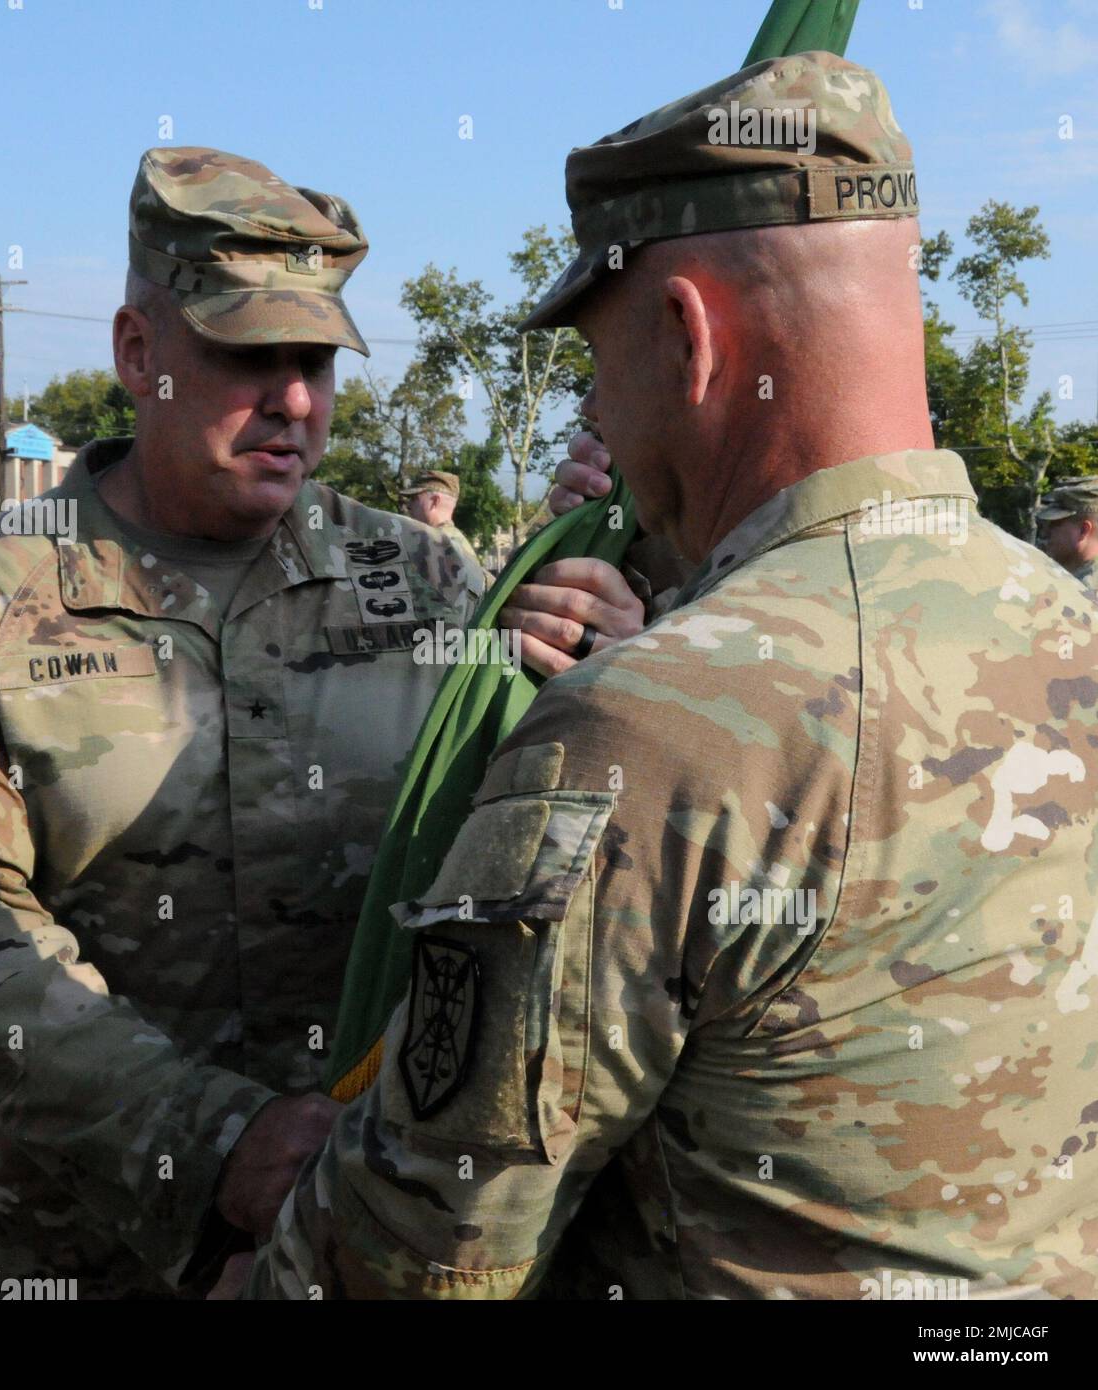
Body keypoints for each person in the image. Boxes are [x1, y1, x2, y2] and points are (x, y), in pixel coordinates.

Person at [245, 52, 1098, 1300]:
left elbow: (414, 1255)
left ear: (689, 338)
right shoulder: (1062, 623)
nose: (603, 412)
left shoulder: (651, 729)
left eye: (600, 365)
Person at [0, 146, 642, 1298]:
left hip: (355, 1245)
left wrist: (587, 672)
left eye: (314, 358)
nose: (296, 399)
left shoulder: (417, 579)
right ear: (136, 352)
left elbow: (510, 864)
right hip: (76, 1252)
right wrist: (222, 1145)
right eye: (246, 356)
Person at [399, 469, 484, 573]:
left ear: (435, 501)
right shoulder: (457, 541)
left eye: (414, 498)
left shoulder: (432, 545)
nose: (409, 505)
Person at [1037, 478, 1098, 587]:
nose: (1046, 532)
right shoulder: (1074, 576)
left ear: (1083, 531)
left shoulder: (1086, 591)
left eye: (1055, 524)